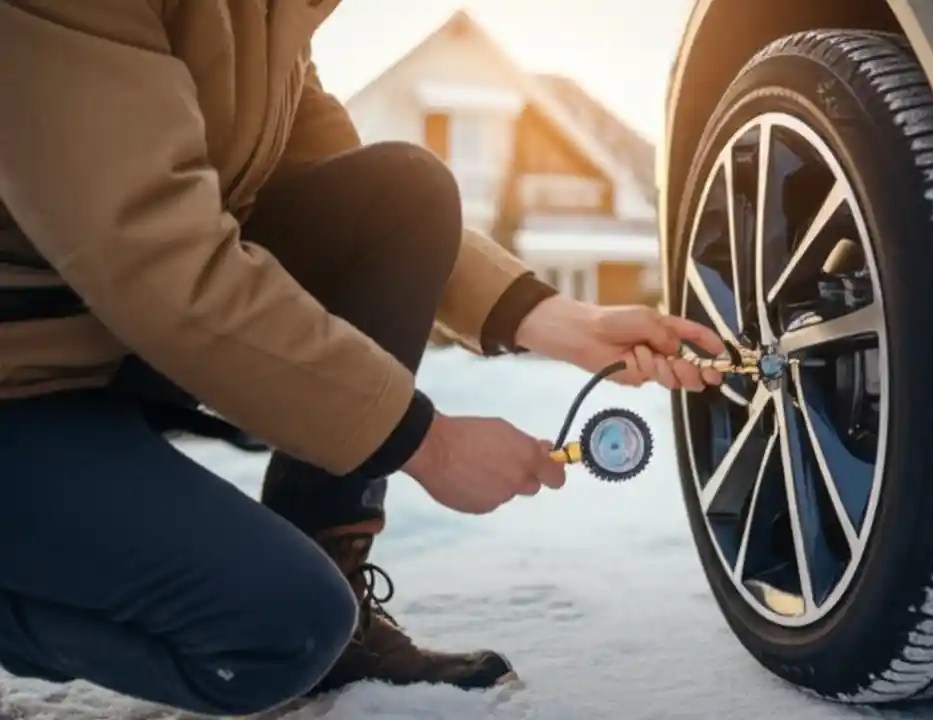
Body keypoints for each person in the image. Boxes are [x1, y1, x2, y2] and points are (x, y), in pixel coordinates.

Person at [0, 2, 725, 716]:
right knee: (277, 629)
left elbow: (355, 211)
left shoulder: (270, 19)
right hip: (22, 388)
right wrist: (428, 444)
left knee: (404, 193)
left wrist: (561, 319)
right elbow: (156, 257)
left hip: (109, 352)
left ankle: (335, 583)